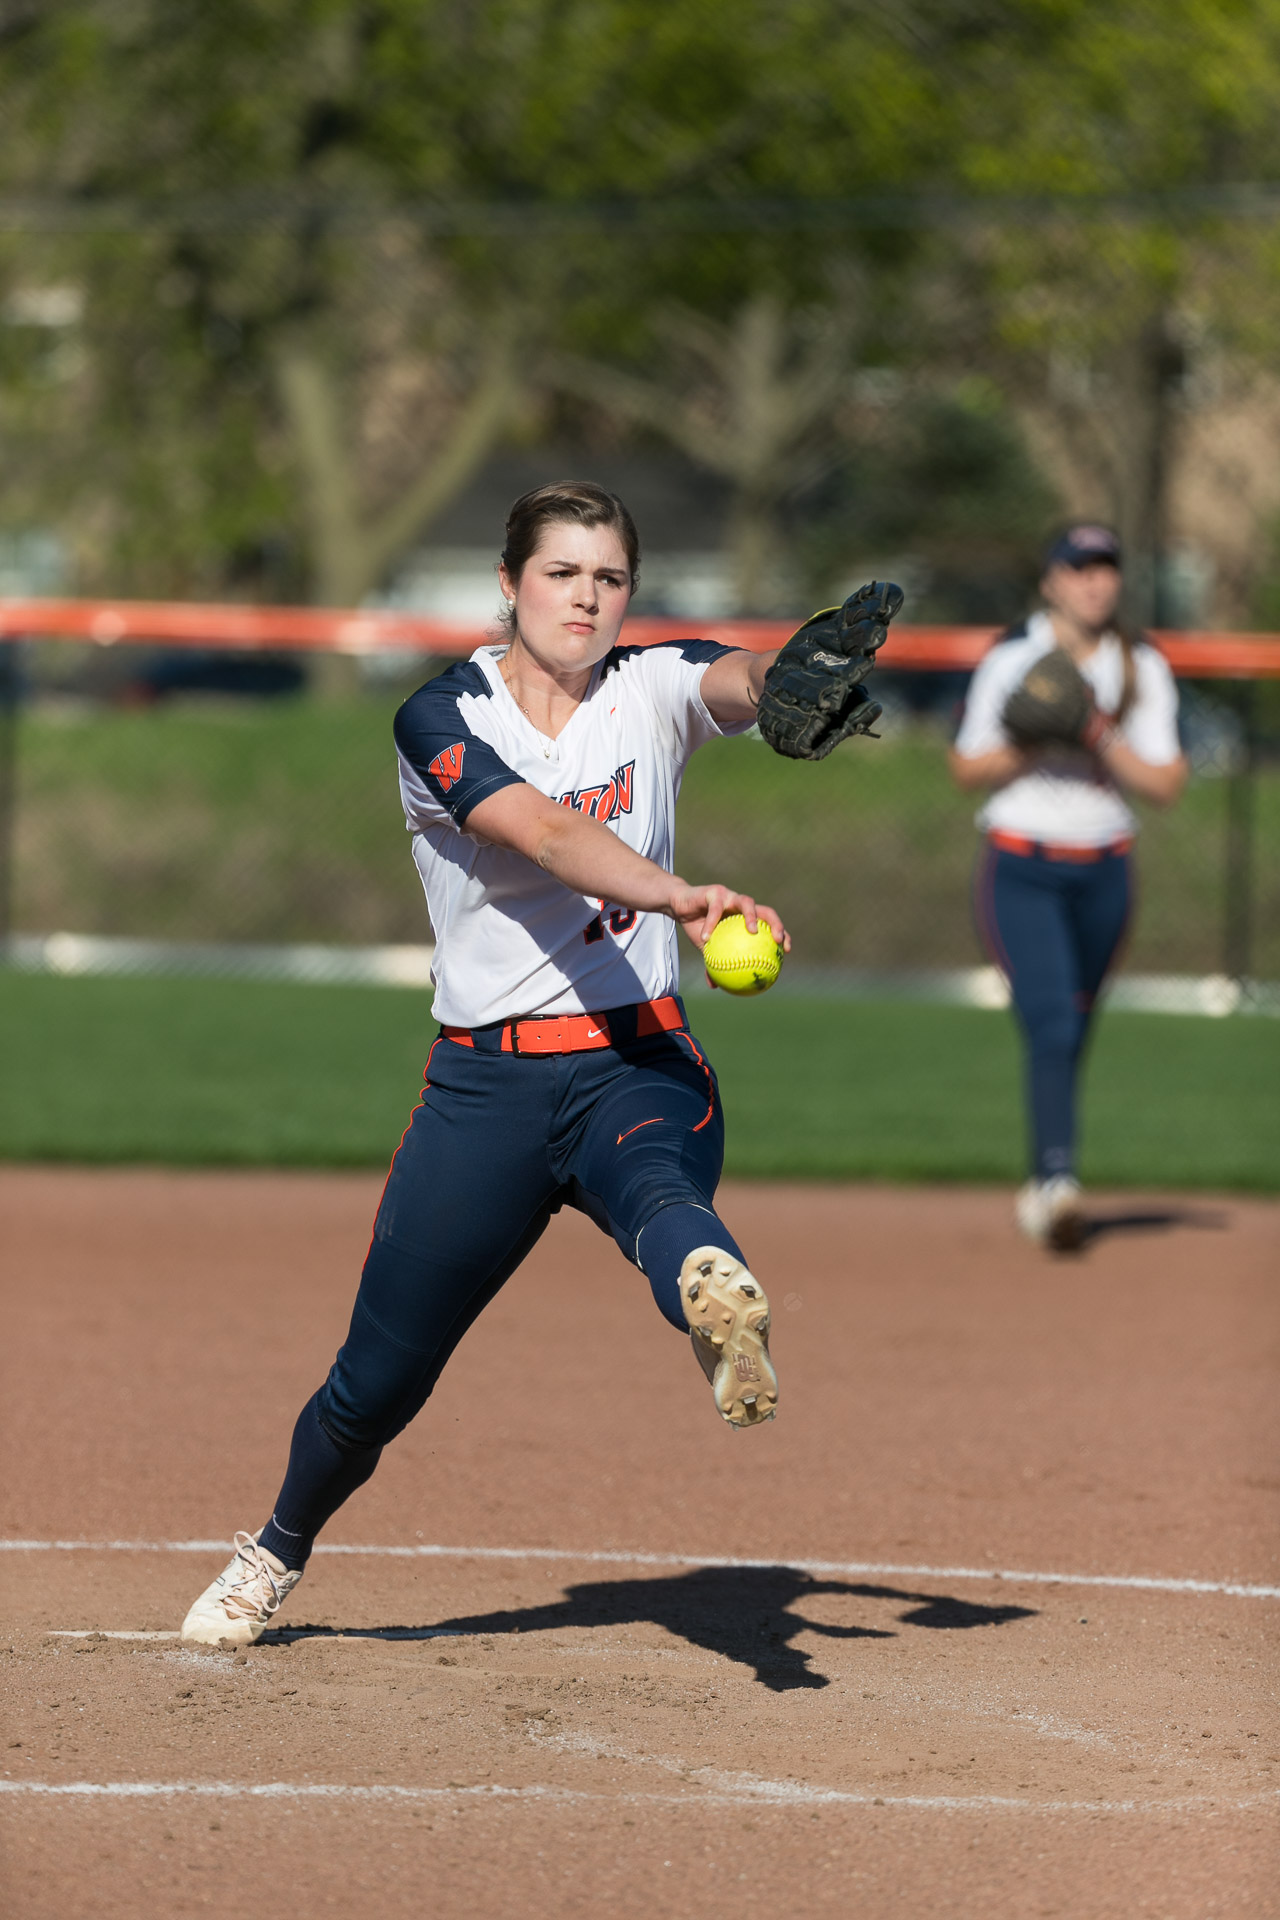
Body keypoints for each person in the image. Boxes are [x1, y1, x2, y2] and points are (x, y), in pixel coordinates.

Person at [180, 481, 893, 1646]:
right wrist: (679, 893)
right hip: (486, 1093)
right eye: (561, 573)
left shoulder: (649, 684)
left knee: (662, 1191)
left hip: (633, 1056)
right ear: (508, 585)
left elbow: (735, 679)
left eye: (609, 578)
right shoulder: (439, 718)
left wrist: (780, 681)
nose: (587, 597)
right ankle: (274, 1552)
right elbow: (549, 835)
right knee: (376, 1381)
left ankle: (713, 1294)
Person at [949, 524, 1187, 1252]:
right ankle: (1058, 1185)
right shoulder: (1013, 657)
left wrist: (1093, 732)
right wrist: (1032, 736)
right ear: (1051, 580)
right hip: (1022, 866)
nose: (1095, 582)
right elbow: (967, 769)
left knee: (1074, 1025)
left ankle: (1043, 1176)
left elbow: (1167, 783)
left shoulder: (1139, 663)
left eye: (1106, 568)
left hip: (1105, 868)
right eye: (1080, 568)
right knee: (1051, 1019)